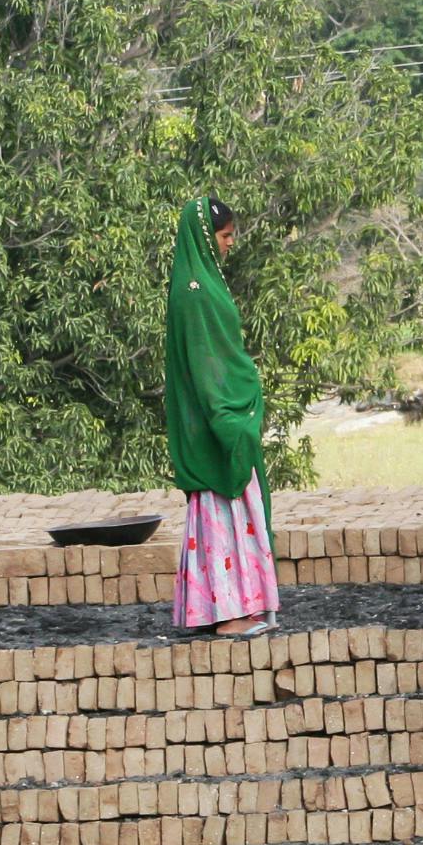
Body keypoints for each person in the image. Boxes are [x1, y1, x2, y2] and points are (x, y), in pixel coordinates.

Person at [165, 197, 278, 638]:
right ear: (204, 238)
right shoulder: (195, 295)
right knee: (220, 513)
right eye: (225, 236)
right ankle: (225, 613)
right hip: (218, 422)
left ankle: (237, 606)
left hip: (222, 417)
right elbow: (207, 363)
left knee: (226, 517)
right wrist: (229, 414)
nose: (230, 245)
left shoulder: (201, 285)